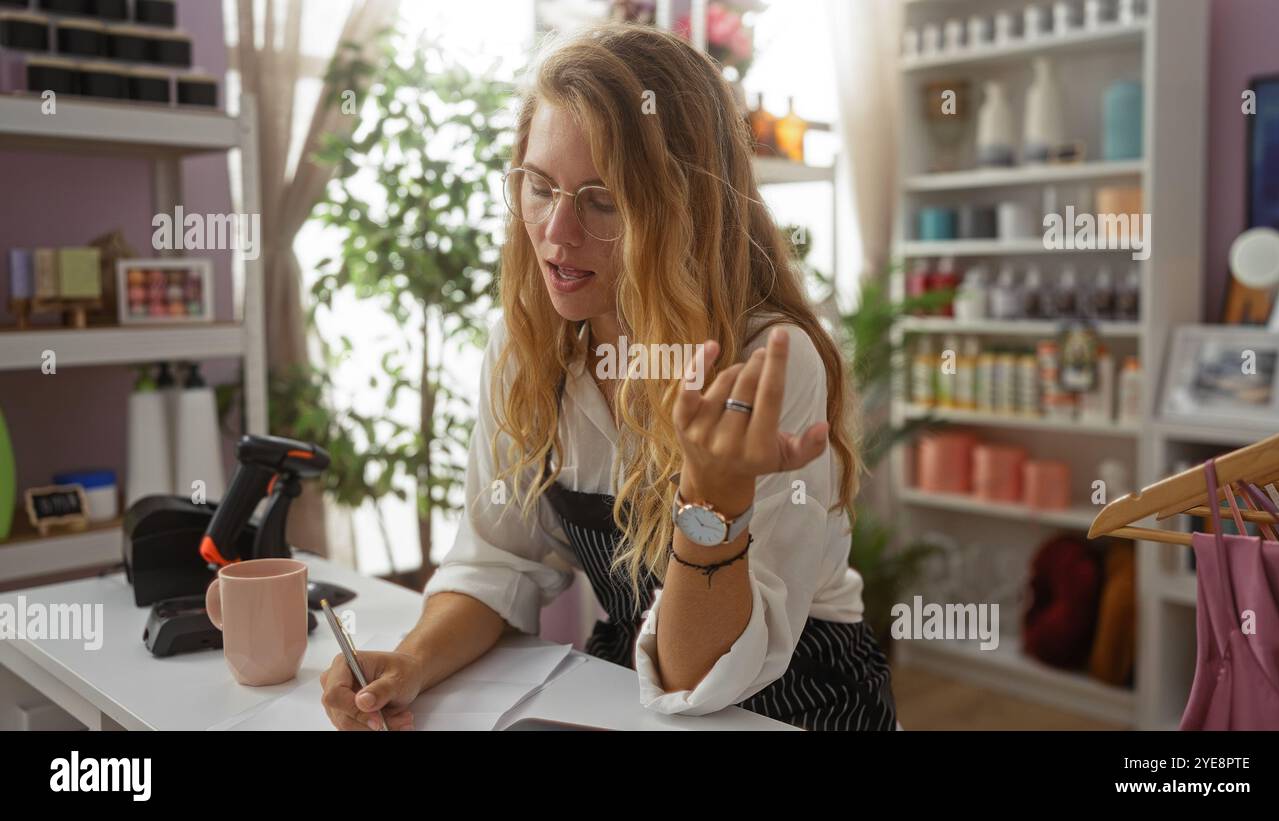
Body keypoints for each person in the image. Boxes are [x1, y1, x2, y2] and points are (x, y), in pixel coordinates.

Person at [321, 21, 896, 732]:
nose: (557, 235)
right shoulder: (527, 349)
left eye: (603, 201)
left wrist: (712, 503)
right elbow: (499, 565)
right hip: (629, 684)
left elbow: (702, 677)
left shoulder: (768, 366)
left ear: (685, 210)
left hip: (796, 699)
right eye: (540, 187)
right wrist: (411, 662)